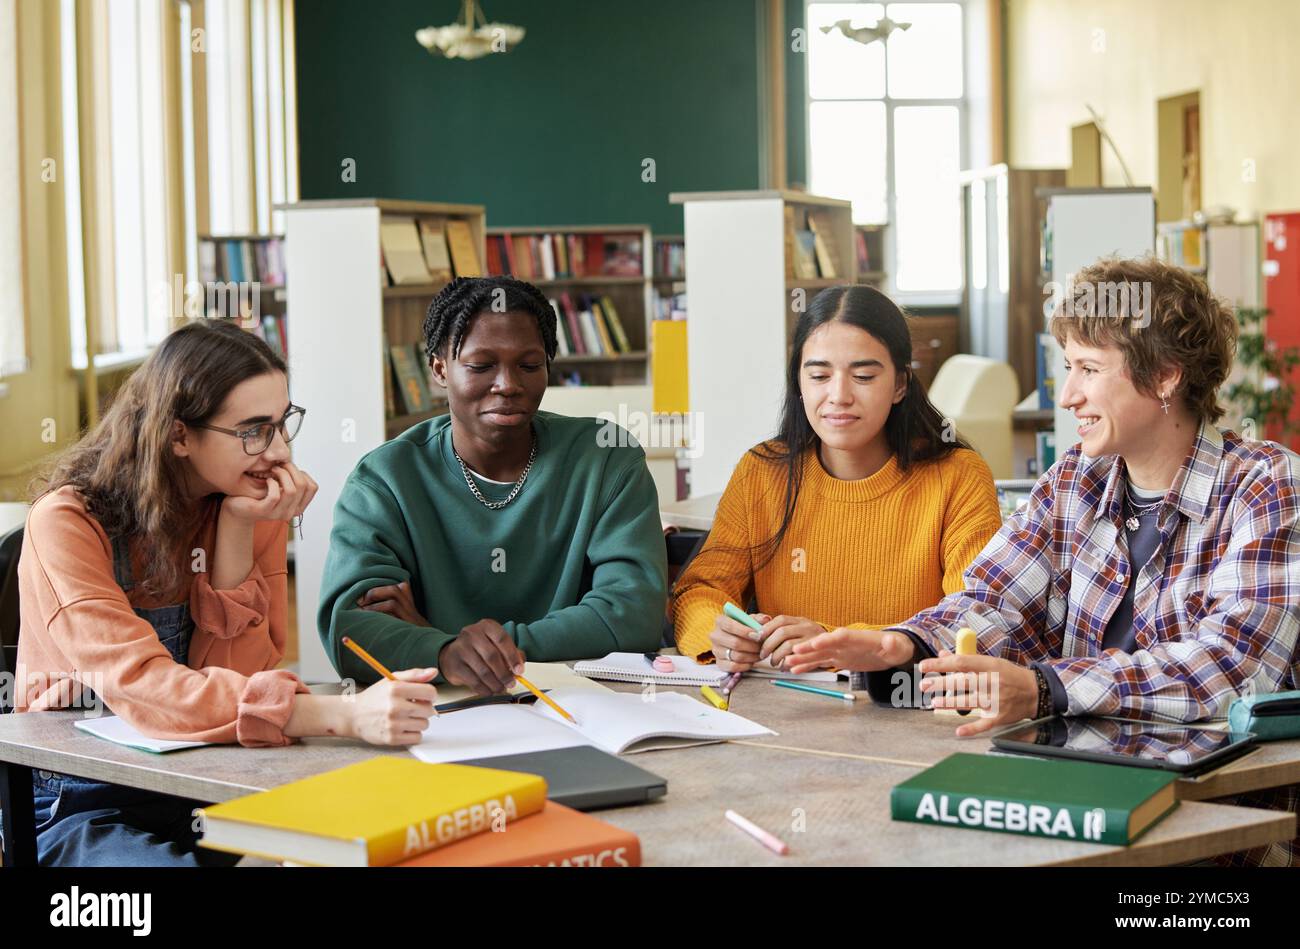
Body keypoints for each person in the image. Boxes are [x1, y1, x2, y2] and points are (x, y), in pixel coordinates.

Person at [786, 258, 1300, 866]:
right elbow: (995, 600)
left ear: (1164, 375)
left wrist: (1046, 689)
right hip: (1073, 794)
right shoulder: (1074, 480)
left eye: (1089, 369)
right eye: (1068, 367)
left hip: (1215, 832)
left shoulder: (1264, 485)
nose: (1070, 394)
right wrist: (907, 644)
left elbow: (1232, 671)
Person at [14, 320, 438, 866]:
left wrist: (238, 533)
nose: (280, 451)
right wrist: (342, 715)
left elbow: (245, 682)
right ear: (178, 435)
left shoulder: (246, 505)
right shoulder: (67, 522)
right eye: (253, 430)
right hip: (81, 802)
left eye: (284, 425)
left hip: (203, 777)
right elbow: (146, 689)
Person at [318, 277, 667, 697]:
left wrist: (443, 644)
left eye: (529, 365)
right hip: (434, 713)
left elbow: (632, 615)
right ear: (439, 369)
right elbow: (350, 633)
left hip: (584, 705)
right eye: (481, 365)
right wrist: (448, 652)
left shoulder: (607, 460)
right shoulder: (383, 481)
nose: (508, 384)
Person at [671, 284, 1001, 670]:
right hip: (784, 710)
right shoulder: (761, 472)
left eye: (863, 376)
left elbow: (976, 621)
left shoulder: (957, 476)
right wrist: (719, 632)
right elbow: (699, 589)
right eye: (819, 376)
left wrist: (829, 642)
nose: (838, 395)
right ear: (799, 383)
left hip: (905, 712)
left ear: (899, 385)